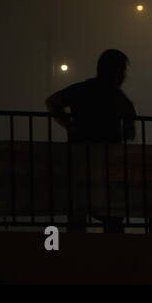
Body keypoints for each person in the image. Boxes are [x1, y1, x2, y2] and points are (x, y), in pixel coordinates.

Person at [47, 49, 136, 233]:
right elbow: (130, 129)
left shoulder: (82, 89)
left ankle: (75, 255)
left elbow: (53, 101)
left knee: (78, 213)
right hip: (107, 163)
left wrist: (69, 125)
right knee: (112, 216)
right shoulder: (118, 97)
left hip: (80, 157)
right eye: (121, 71)